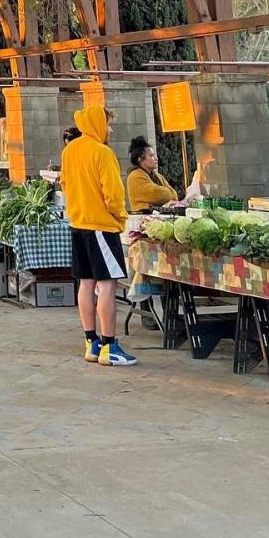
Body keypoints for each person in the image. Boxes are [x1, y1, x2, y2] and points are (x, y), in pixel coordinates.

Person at [60, 105, 136, 366]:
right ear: (98, 123)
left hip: (78, 223)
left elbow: (65, 184)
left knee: (86, 282)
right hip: (102, 226)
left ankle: (90, 342)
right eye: (108, 124)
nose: (111, 129)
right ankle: (109, 346)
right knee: (107, 285)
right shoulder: (103, 153)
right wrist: (120, 217)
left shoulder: (70, 150)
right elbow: (113, 194)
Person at [126, 136, 179, 212]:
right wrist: (170, 194)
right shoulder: (135, 176)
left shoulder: (158, 176)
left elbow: (174, 195)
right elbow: (159, 194)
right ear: (140, 159)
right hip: (143, 218)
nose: (156, 158)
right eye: (151, 155)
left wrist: (171, 194)